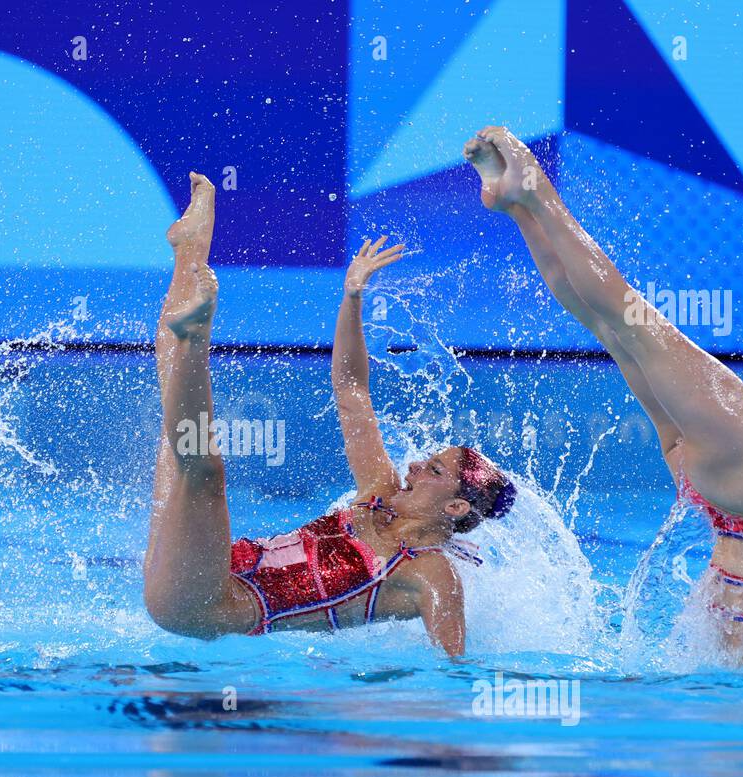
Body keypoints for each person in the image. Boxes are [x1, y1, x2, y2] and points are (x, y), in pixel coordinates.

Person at [463, 126, 743, 661]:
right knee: (614, 324)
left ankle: (528, 202)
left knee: (620, 321)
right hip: (721, 500)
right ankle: (526, 200)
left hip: (742, 495)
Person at [141, 173, 515, 655]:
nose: (416, 465)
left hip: (206, 607)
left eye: (435, 470)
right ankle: (189, 253)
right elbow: (350, 388)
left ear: (457, 507)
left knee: (204, 468)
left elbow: (454, 668)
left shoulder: (430, 573)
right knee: (179, 429)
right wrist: (353, 297)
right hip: (190, 565)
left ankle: (195, 335)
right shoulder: (378, 492)